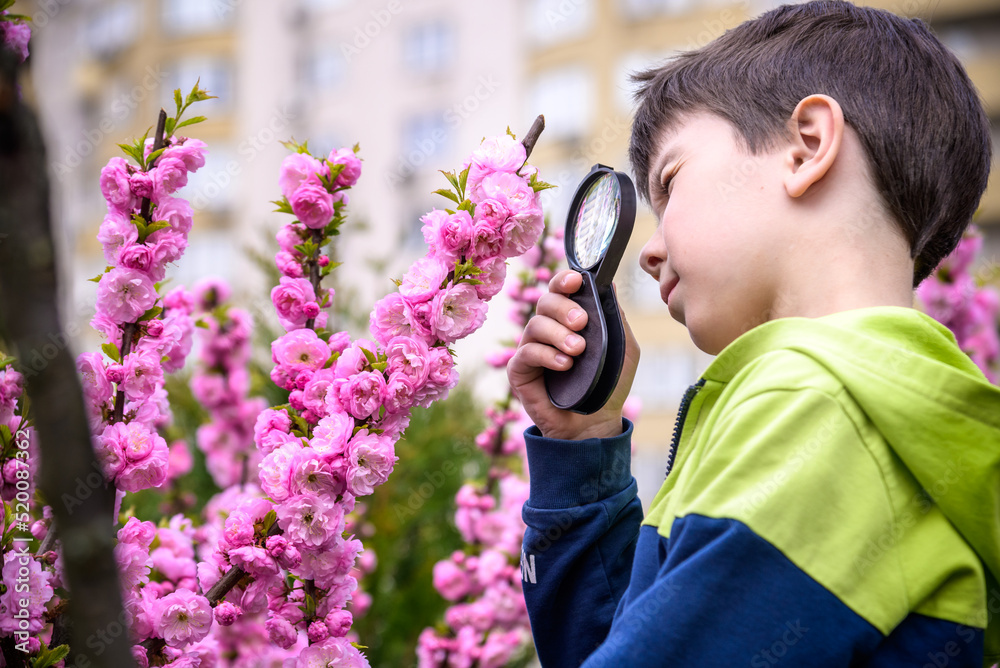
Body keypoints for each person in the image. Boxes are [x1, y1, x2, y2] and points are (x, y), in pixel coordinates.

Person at [506, 1, 1000, 666]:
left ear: (807, 147)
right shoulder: (866, 410)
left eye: (671, 183)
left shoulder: (813, 408)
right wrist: (582, 448)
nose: (649, 252)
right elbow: (617, 645)